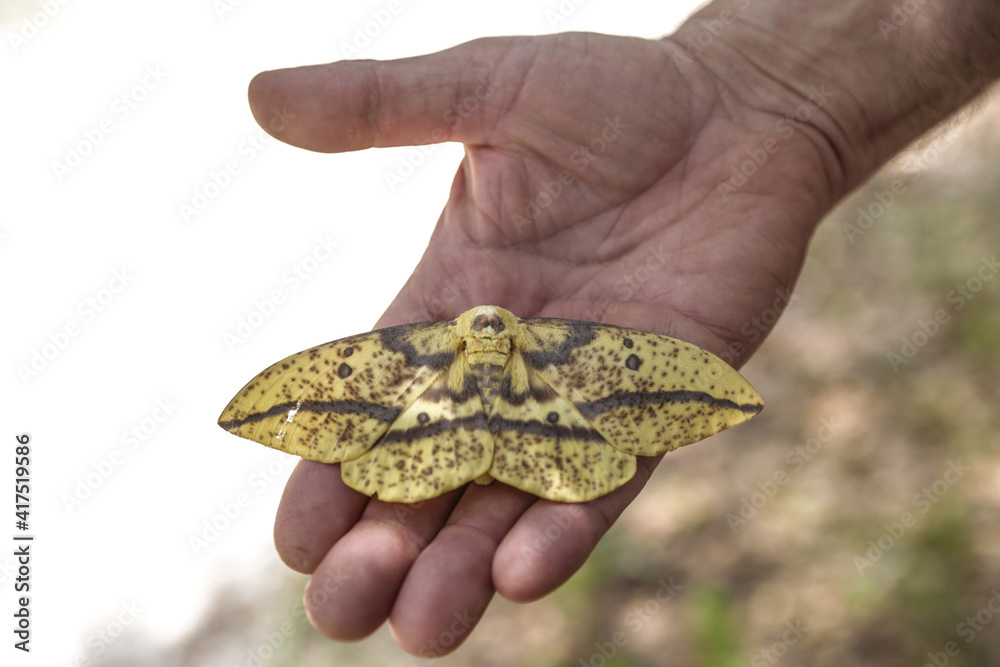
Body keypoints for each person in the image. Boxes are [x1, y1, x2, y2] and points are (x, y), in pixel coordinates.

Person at [245, 0, 1000, 657]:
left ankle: (455, 456)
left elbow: (690, 390)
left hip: (433, 415)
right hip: (552, 407)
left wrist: (753, 86)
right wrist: (755, 82)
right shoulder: (574, 351)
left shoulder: (411, 357)